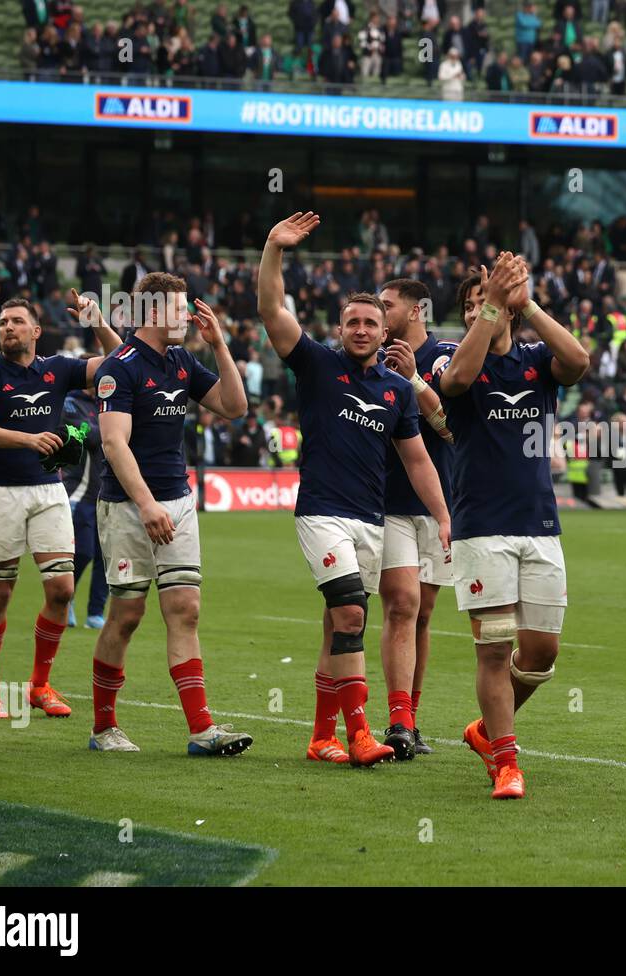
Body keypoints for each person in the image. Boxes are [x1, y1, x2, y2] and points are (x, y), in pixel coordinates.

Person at [258, 213, 452, 767]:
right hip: (322, 513)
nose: (362, 329)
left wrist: (441, 516)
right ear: (340, 329)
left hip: (372, 519)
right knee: (350, 615)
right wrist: (275, 248)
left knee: (338, 624)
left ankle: (322, 737)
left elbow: (417, 459)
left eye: (371, 321)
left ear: (384, 331)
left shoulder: (396, 388)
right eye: (353, 322)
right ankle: (362, 733)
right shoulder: (317, 365)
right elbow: (272, 311)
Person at [435, 254, 591, 799]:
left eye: (490, 297)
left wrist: (528, 303)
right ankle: (506, 761)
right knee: (495, 650)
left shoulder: (535, 359)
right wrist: (495, 307)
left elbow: (578, 359)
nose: (484, 305)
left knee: (542, 652)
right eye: (474, 302)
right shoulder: (451, 360)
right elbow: (457, 380)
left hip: (540, 525)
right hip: (483, 529)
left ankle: (485, 729)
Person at [89, 273, 254, 755]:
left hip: (177, 502)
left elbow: (234, 406)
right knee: (127, 613)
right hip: (126, 506)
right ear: (150, 313)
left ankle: (202, 731)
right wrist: (145, 504)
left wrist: (220, 345)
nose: (186, 315)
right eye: (178, 308)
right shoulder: (118, 368)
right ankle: (103, 728)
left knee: (185, 609)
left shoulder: (182, 361)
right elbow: (114, 443)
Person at [0, 295, 120, 719]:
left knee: (62, 590)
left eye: (16, 321)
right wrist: (28, 439)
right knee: (0, 591)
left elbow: (119, 362)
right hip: (1, 493)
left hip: (50, 491)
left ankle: (39, 685)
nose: (7, 327)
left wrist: (97, 321)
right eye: (2, 322)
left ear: (36, 331)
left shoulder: (58, 369)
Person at [377, 277, 459, 757]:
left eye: (387, 305)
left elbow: (451, 427)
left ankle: (413, 718)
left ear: (415, 310)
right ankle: (398, 721)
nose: (379, 312)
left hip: (440, 503)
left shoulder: (444, 356)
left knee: (424, 614)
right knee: (403, 604)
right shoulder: (372, 356)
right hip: (387, 502)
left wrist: (413, 378)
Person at [61, 368, 108, 630]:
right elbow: (87, 435)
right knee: (84, 552)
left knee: (107, 558)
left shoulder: (107, 404)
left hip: (107, 494)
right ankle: (65, 598)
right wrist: (112, 428)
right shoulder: (70, 402)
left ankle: (95, 612)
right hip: (80, 492)